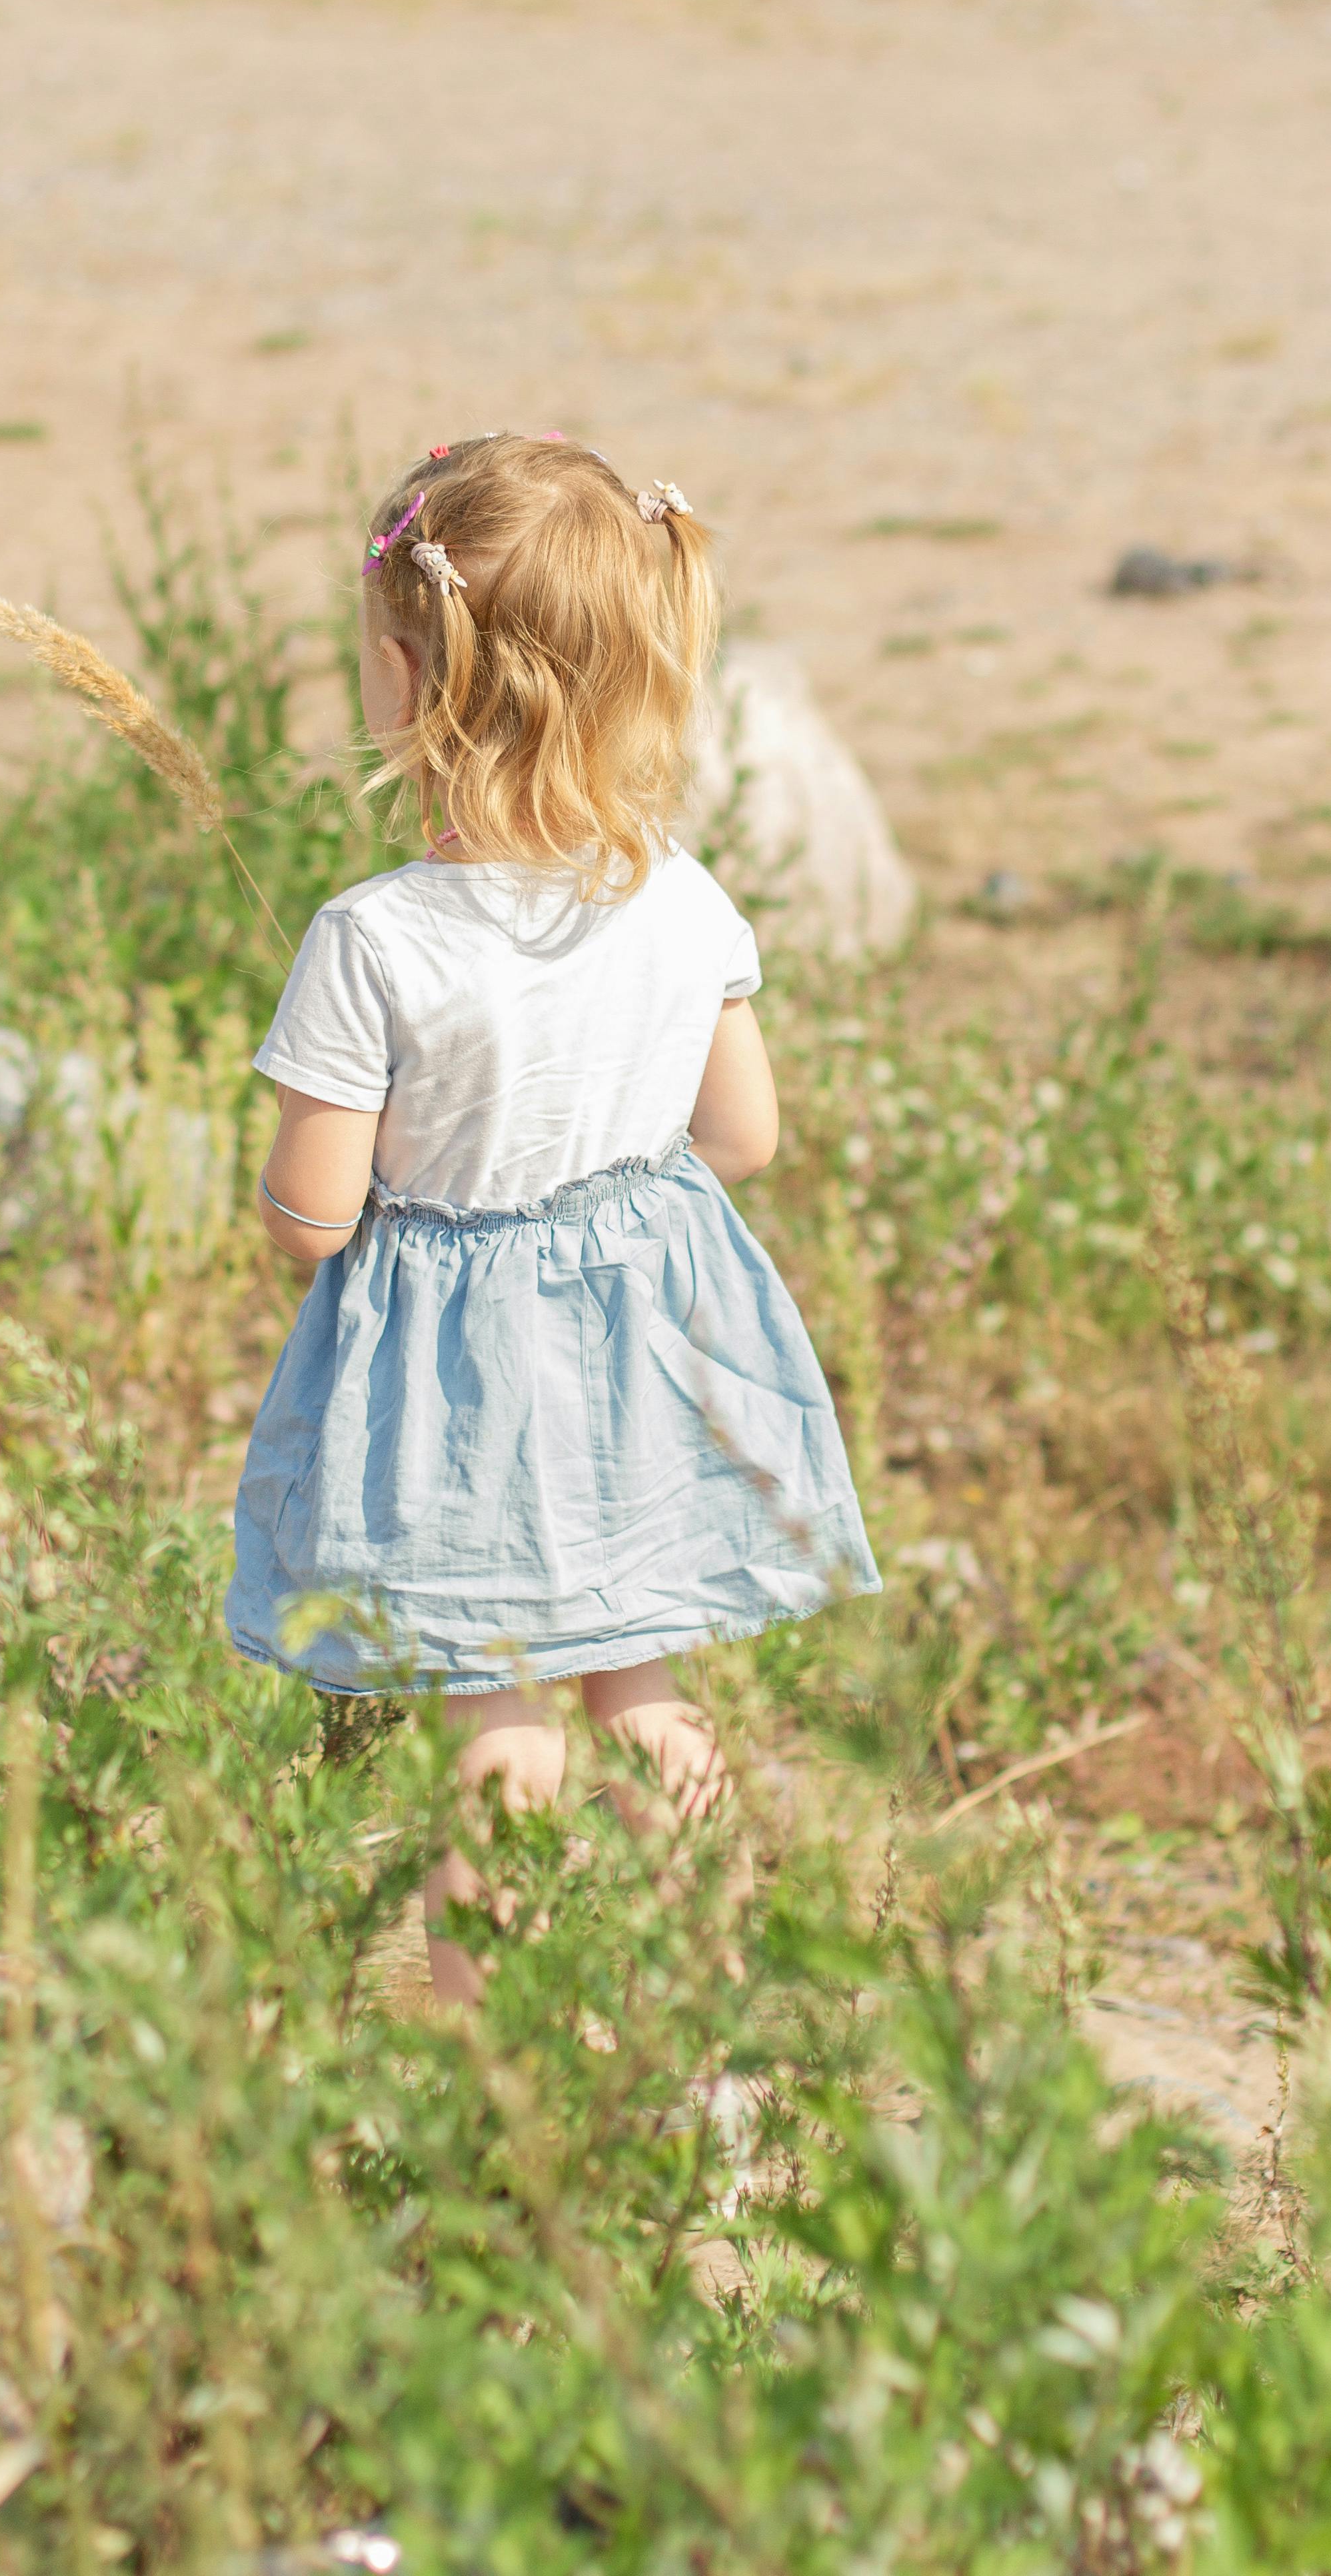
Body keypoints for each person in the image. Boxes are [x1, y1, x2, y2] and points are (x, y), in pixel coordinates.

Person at [225, 431, 880, 2001]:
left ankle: (482, 2070)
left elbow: (314, 1218)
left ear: (406, 679)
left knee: (496, 1723)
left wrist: (313, 1207)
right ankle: (701, 2028)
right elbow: (746, 1134)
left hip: (466, 1392)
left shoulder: (374, 939)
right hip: (651, 1353)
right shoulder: (678, 892)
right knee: (643, 1693)